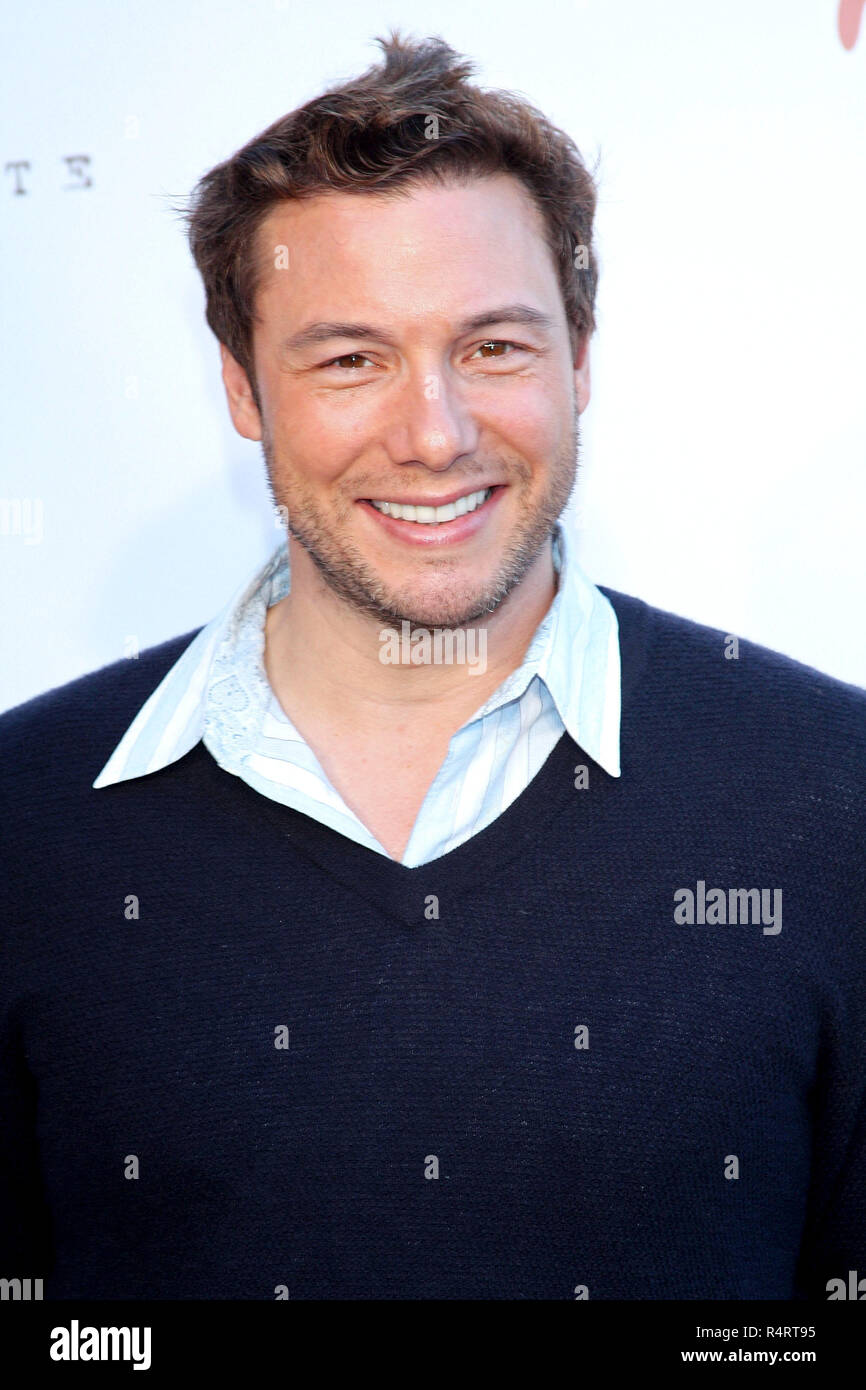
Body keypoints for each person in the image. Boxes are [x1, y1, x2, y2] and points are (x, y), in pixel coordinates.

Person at [1, 30, 864, 1302]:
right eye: (350, 358)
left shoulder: (832, 799)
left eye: (493, 347)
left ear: (580, 359)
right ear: (243, 387)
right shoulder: (25, 820)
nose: (433, 433)